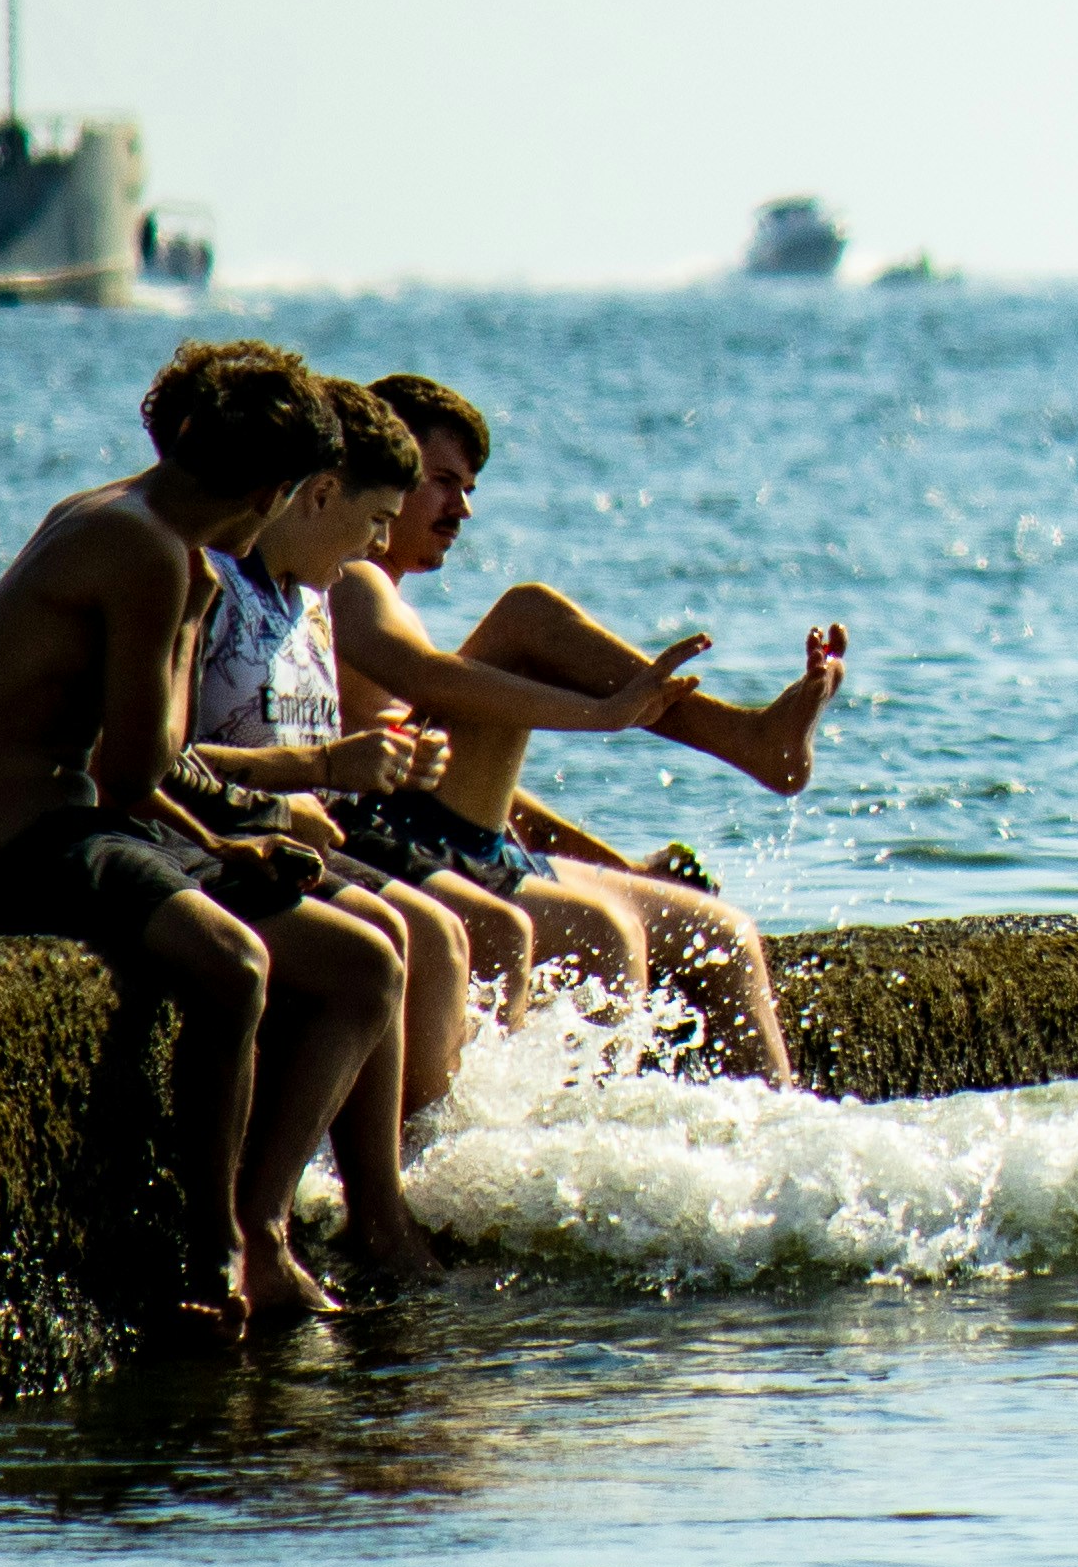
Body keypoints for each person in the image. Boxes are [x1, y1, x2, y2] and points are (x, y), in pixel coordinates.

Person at [0, 342, 400, 1336]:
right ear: (278, 489)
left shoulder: (163, 546)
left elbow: (161, 762)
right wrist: (233, 847)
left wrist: (252, 826)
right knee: (233, 964)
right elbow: (134, 774)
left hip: (94, 827)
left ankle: (268, 1229)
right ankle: (215, 1247)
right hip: (26, 847)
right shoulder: (139, 547)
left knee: (365, 963)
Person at [318, 371, 828, 1084]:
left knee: (725, 937)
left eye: (469, 488)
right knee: (527, 619)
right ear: (382, 473)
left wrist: (617, 862)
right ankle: (745, 739)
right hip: (393, 844)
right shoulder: (350, 578)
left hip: (463, 840)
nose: (461, 508)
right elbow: (426, 680)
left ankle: (774, 1137)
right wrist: (604, 715)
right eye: (441, 481)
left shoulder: (385, 592)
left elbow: (486, 791)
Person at [182, 381, 528, 1275]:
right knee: (396, 941)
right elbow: (167, 762)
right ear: (318, 494)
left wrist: (366, 761)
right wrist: (328, 769)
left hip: (301, 843)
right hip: (217, 843)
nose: (382, 547)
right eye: (374, 522)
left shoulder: (306, 601)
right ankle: (336, 1213)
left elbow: (310, 750)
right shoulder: (215, 586)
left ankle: (384, 1199)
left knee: (430, 931)